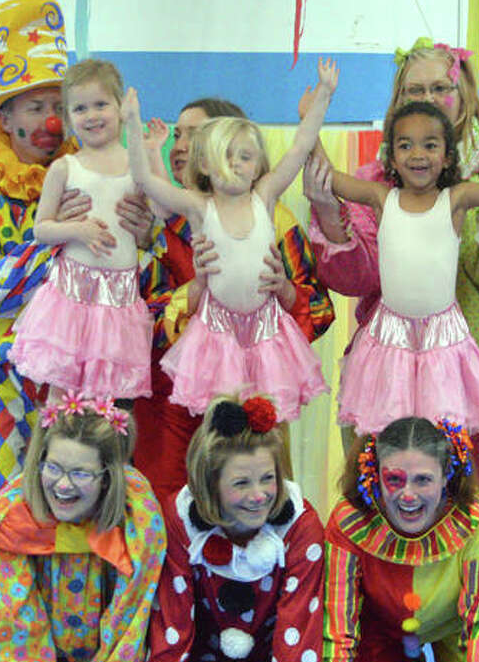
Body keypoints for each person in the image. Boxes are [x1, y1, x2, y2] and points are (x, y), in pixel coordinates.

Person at [0, 0, 156, 662]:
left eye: (52, 103)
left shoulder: (96, 173)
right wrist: (54, 237)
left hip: (76, 384)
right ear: (5, 121)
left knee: (78, 532)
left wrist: (140, 239)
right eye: (30, 107)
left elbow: (127, 279)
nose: (50, 121)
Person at [304, 37, 479, 542]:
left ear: (464, 94)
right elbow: (336, 210)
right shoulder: (379, 188)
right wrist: (316, 117)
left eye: (442, 86)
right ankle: (384, 607)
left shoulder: (473, 188)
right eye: (417, 89)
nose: (431, 97)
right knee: (393, 495)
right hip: (390, 361)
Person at [132, 98, 335, 502]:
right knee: (175, 506)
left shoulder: (274, 219)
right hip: (172, 407)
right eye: (180, 133)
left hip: (254, 388)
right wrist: (192, 293)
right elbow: (137, 321)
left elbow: (319, 312)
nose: (182, 144)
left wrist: (283, 289)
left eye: (197, 134)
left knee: (250, 492)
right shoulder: (162, 222)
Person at [310, 97, 479, 437]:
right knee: (393, 432)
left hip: (443, 339)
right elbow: (327, 177)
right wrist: (312, 117)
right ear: (391, 156)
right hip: (390, 338)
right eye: (405, 146)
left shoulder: (456, 199)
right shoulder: (380, 197)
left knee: (441, 434)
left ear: (447, 156)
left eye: (430, 145)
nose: (418, 154)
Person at [122, 59, 337, 423]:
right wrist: (131, 122)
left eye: (246, 156)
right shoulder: (196, 207)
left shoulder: (265, 198)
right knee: (221, 426)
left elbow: (301, 147)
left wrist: (324, 97)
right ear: (203, 164)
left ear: (258, 165)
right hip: (217, 333)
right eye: (226, 156)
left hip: (265, 331)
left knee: (260, 425)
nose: (236, 165)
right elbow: (144, 179)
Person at [139, 396, 324, 662]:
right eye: (241, 483)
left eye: (267, 478)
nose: (259, 495)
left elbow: (298, 637)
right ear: (211, 483)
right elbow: (171, 630)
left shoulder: (300, 526)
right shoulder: (180, 520)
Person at [0, 395, 165, 662]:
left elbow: (128, 622)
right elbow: (13, 621)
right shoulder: (12, 513)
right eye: (53, 467)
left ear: (107, 476)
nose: (63, 485)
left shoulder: (138, 516)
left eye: (80, 473)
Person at [323, 416, 479, 662]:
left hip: (455, 627)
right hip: (380, 628)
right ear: (375, 474)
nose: (408, 495)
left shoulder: (478, 519)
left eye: (423, 480)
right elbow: (337, 626)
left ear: (446, 475)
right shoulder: (349, 520)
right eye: (395, 479)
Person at [9, 58, 153, 400]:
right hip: (71, 295)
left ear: (121, 106)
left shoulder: (138, 165)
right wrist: (77, 229)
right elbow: (41, 229)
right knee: (62, 395)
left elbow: (155, 220)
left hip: (118, 299)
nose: (91, 116)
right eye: (80, 109)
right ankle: (54, 452)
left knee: (105, 401)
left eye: (101, 104)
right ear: (70, 119)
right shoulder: (65, 167)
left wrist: (140, 133)